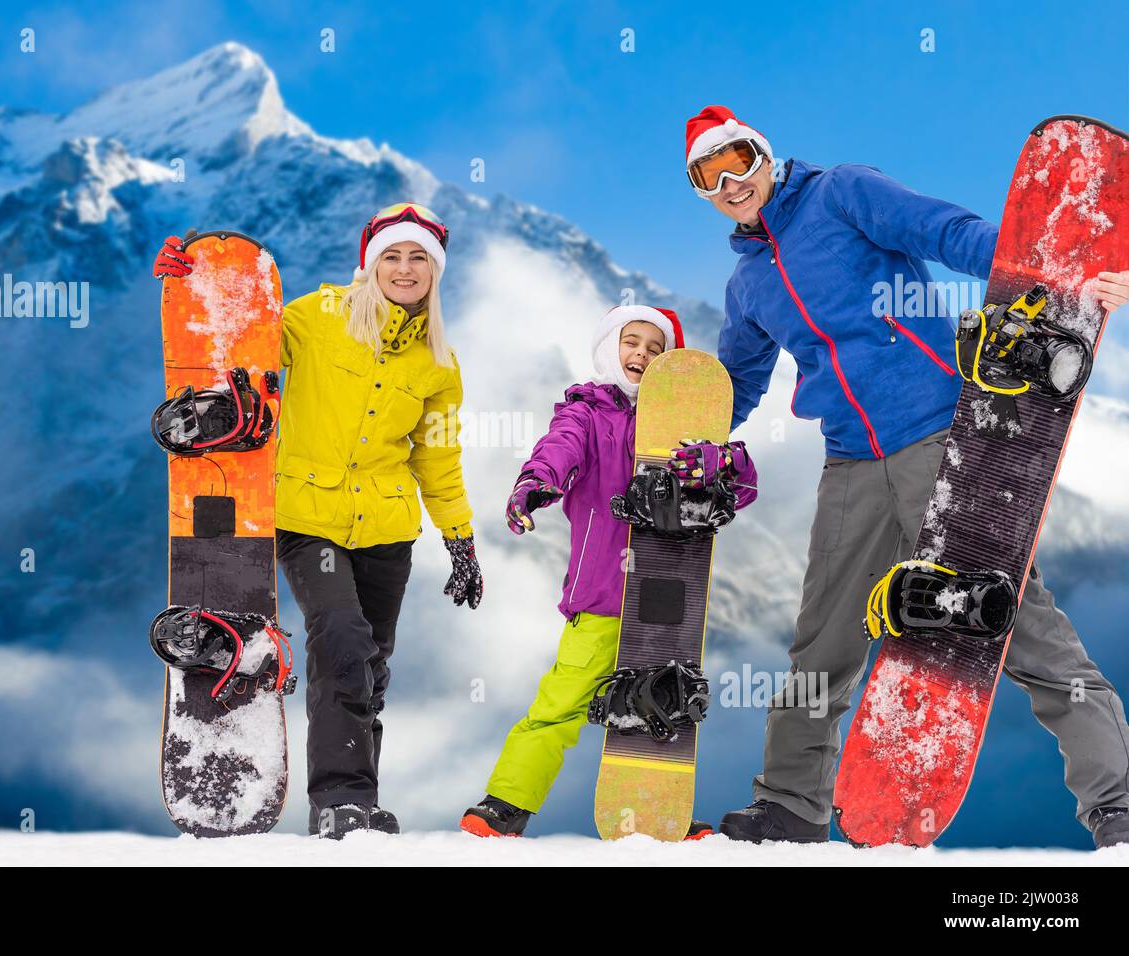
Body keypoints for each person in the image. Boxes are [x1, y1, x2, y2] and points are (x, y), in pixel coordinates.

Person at [684, 104, 1129, 847]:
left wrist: (1058, 280)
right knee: (822, 641)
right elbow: (737, 382)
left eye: (738, 160)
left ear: (764, 153)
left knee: (1011, 622)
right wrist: (680, 438)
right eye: (708, 175)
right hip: (850, 461)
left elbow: (945, 231)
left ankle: (1115, 800)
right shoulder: (747, 284)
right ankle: (792, 804)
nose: (731, 183)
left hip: (939, 437)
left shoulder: (842, 193)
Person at [153, 202, 483, 839]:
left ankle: (359, 799)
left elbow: (437, 455)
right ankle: (339, 802)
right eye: (393, 255)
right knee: (340, 638)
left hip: (388, 530)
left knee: (369, 666)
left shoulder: (439, 364)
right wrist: (197, 282)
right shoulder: (315, 318)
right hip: (309, 518)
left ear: (436, 272)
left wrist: (460, 536)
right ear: (370, 264)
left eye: (420, 258)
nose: (406, 269)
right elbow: (236, 342)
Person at [458, 304, 759, 837]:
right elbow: (559, 449)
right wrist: (536, 482)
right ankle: (505, 804)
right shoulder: (587, 412)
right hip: (600, 592)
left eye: (655, 348)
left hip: (667, 593)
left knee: (662, 695)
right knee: (562, 701)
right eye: (632, 342)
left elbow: (744, 486)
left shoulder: (687, 425)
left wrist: (724, 462)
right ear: (609, 348)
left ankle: (658, 808)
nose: (642, 354)